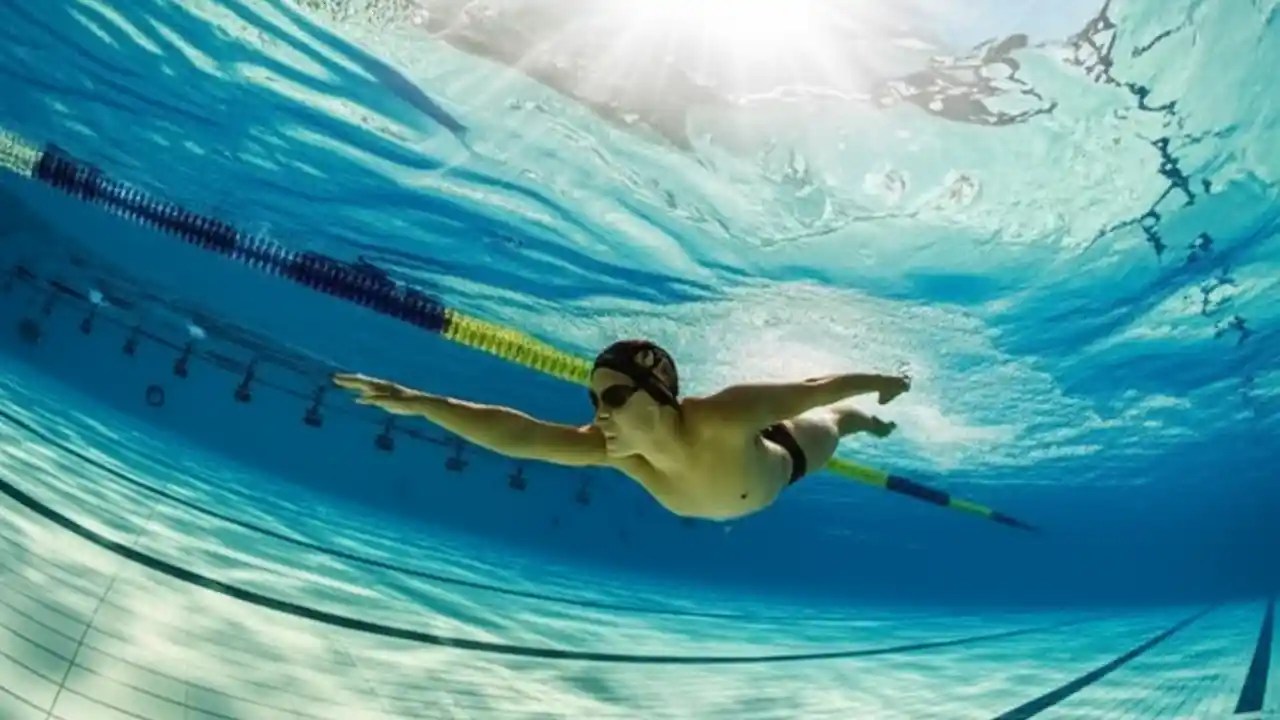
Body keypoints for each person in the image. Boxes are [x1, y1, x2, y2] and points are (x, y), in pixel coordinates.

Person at [332, 339, 909, 521]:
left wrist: (881, 381)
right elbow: (521, 437)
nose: (599, 413)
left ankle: (876, 421)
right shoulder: (618, 453)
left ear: (660, 399)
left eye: (612, 397)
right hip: (748, 486)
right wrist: (423, 404)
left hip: (789, 455)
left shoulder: (720, 415)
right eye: (593, 399)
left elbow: (816, 388)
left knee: (839, 422)